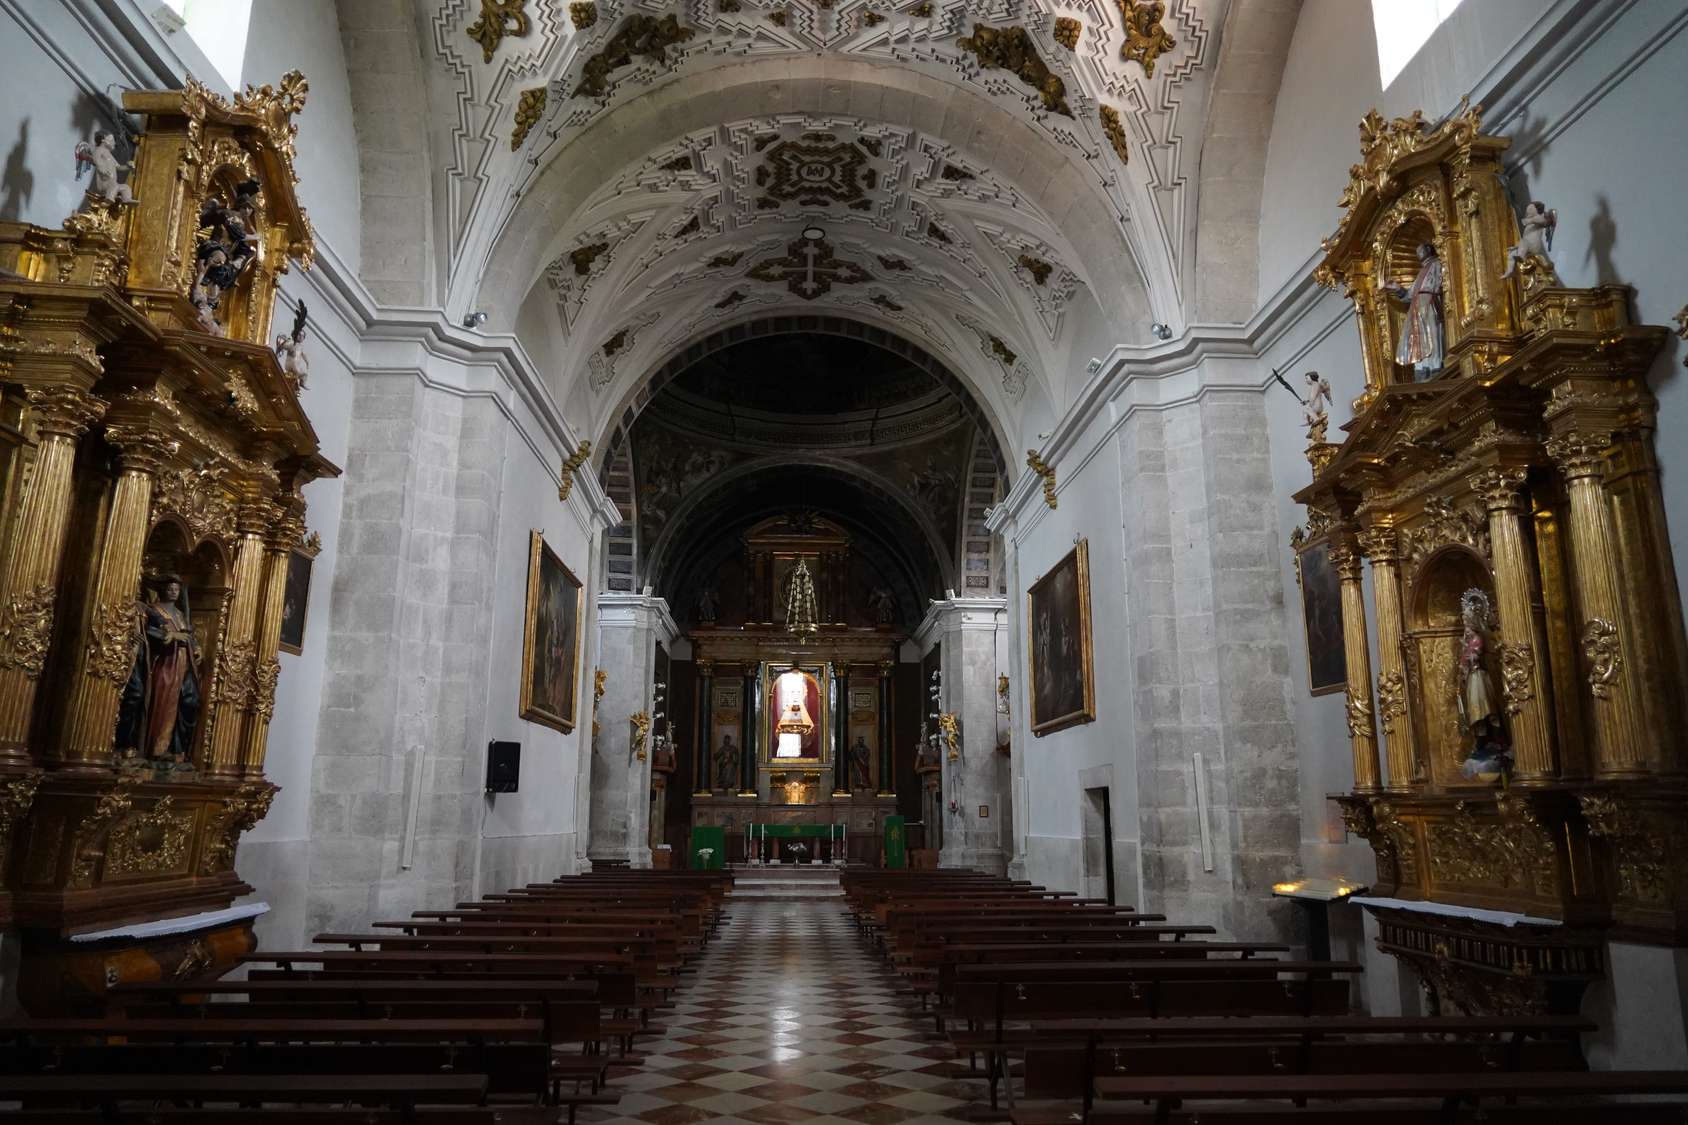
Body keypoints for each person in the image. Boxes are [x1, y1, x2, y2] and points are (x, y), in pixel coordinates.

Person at [1390, 242, 1444, 380]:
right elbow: (1410, 294)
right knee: (1418, 336)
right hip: (1417, 305)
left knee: (1432, 333)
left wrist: (1435, 297)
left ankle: (1435, 365)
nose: (1418, 252)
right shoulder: (1422, 271)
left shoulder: (1437, 264)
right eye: (1417, 251)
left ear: (1428, 249)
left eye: (1420, 250)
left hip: (1429, 301)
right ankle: (1422, 367)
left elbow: (1440, 282)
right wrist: (1397, 288)